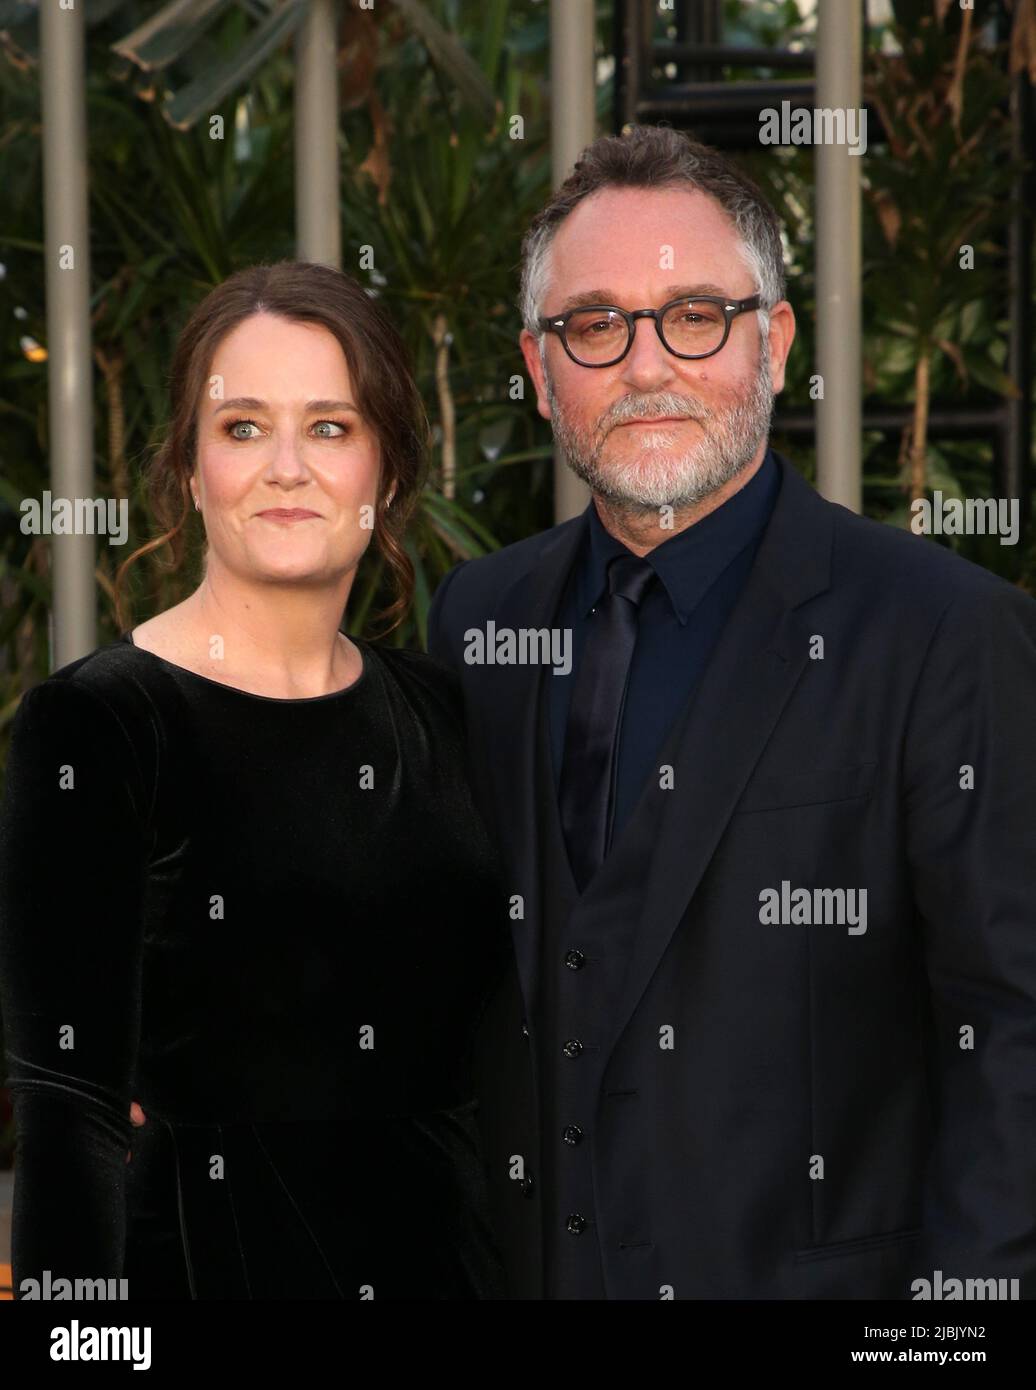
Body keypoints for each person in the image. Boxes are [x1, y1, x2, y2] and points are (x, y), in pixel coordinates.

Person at [427, 125, 1036, 1299]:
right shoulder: (479, 618)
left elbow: (1012, 1031)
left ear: (775, 340)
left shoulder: (945, 634)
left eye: (695, 314)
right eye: (595, 324)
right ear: (541, 366)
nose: (646, 366)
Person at [0, 261, 510, 1300]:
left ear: (389, 470)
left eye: (330, 426)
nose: (287, 466)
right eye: (242, 428)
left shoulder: (448, 715)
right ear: (189, 469)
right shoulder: (99, 725)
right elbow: (69, 1117)